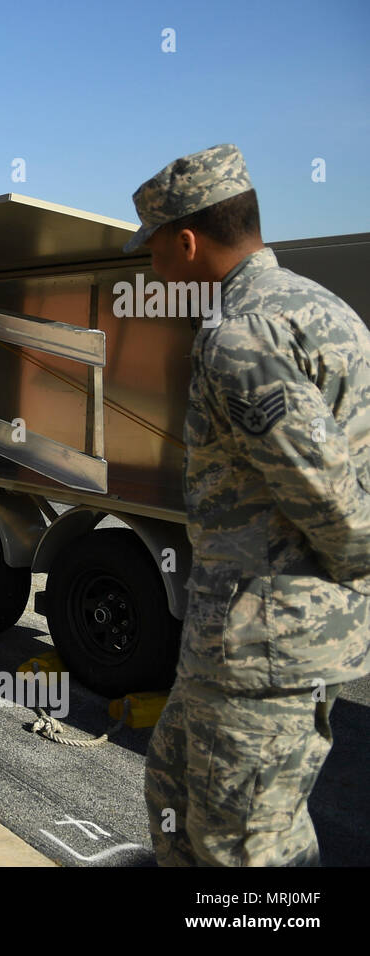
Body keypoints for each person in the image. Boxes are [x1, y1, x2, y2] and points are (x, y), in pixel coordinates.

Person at [128, 144, 370, 866]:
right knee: (173, 792)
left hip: (266, 644)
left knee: (244, 848)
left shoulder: (243, 334)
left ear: (188, 240)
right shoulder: (313, 306)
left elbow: (341, 512)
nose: (151, 265)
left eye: (153, 248)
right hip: (240, 640)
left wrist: (327, 598)